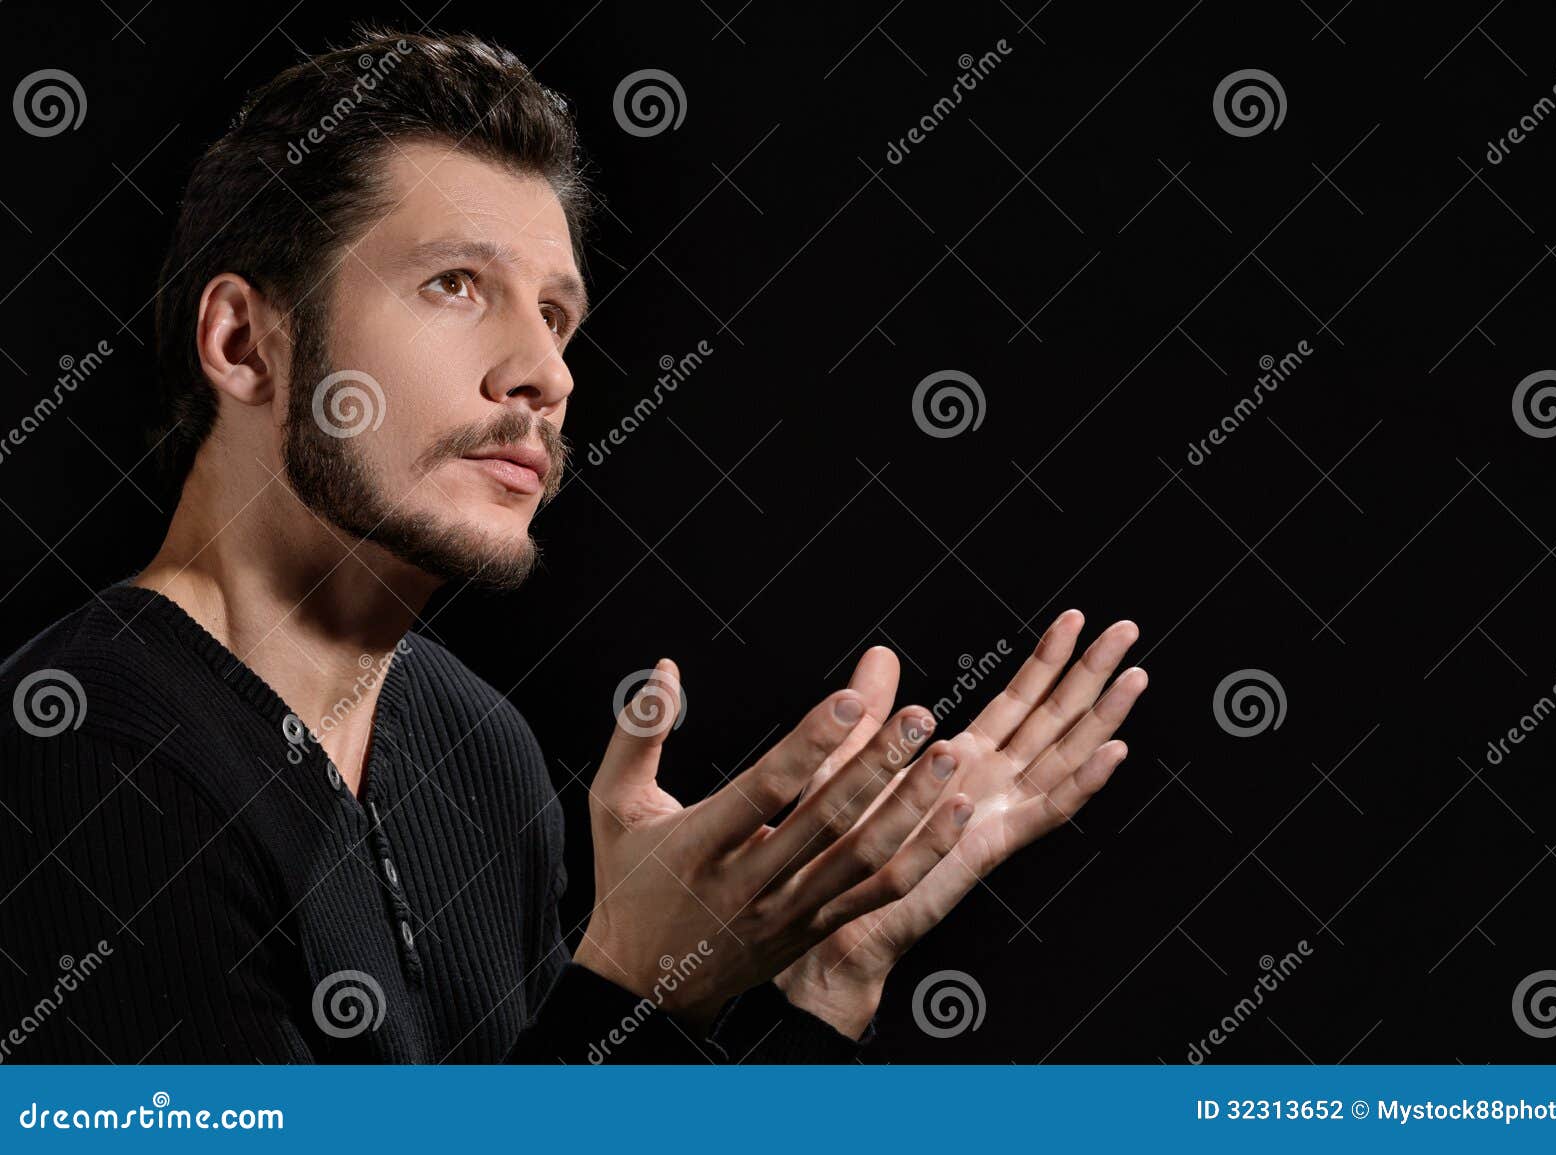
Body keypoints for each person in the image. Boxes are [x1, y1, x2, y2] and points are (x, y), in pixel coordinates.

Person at [0, 26, 1147, 1063]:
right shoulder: (79, 757)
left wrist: (818, 983)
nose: (544, 374)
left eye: (556, 317)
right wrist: (636, 984)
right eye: (456, 285)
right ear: (245, 341)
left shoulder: (480, 754)